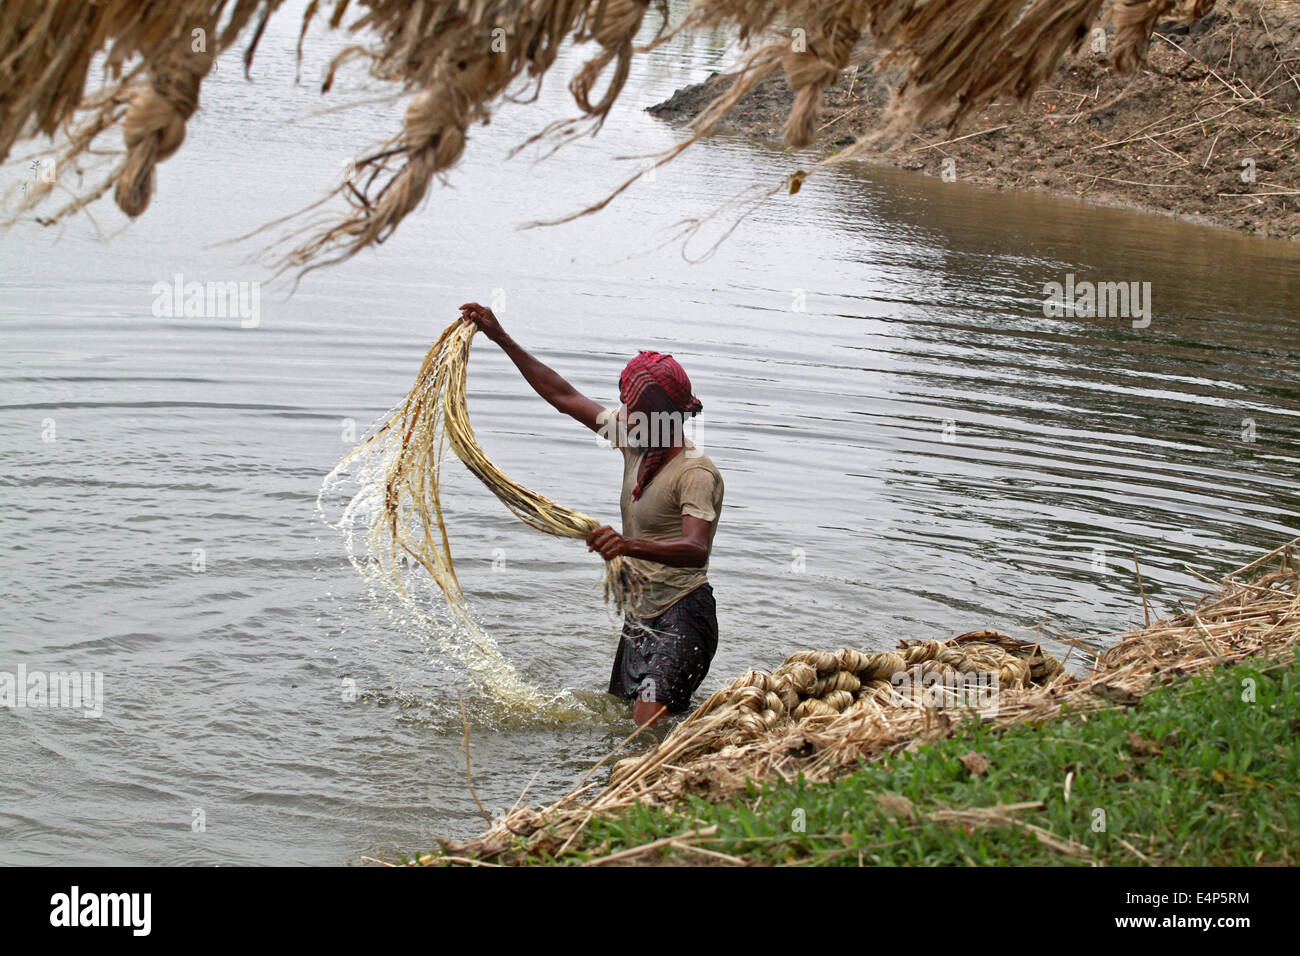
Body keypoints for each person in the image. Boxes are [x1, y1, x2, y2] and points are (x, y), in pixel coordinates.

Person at [459, 302, 724, 727]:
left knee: (644, 726)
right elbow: (564, 397)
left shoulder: (694, 471)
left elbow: (696, 549)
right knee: (623, 723)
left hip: (683, 616)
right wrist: (500, 337)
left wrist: (627, 545)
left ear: (657, 414)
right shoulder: (637, 442)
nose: (622, 412)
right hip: (641, 616)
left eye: (631, 406)